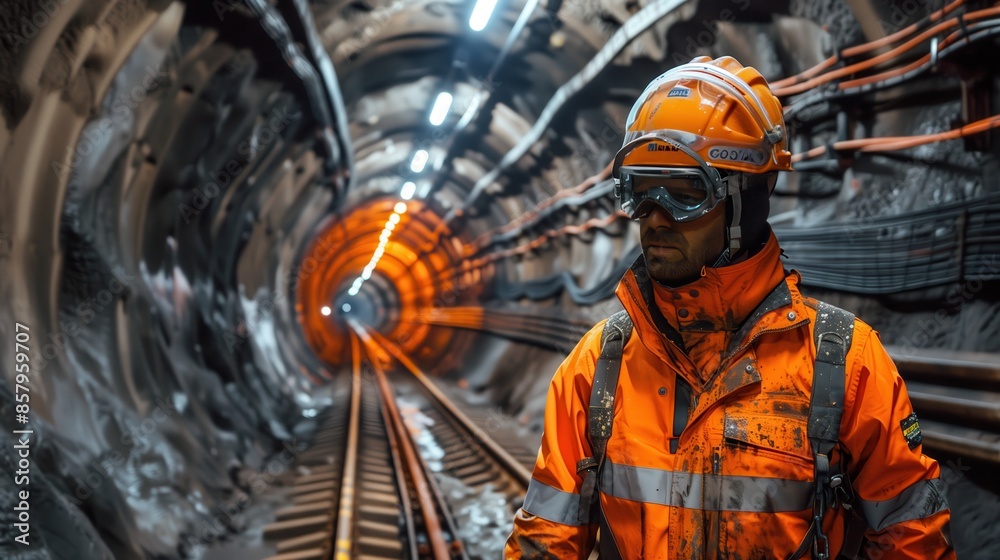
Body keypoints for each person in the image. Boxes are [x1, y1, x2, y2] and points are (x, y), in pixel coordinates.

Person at [504, 56, 954, 559]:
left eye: (682, 194)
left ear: (747, 198)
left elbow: (912, 540)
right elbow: (545, 541)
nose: (655, 219)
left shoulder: (843, 364)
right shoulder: (598, 367)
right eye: (641, 194)